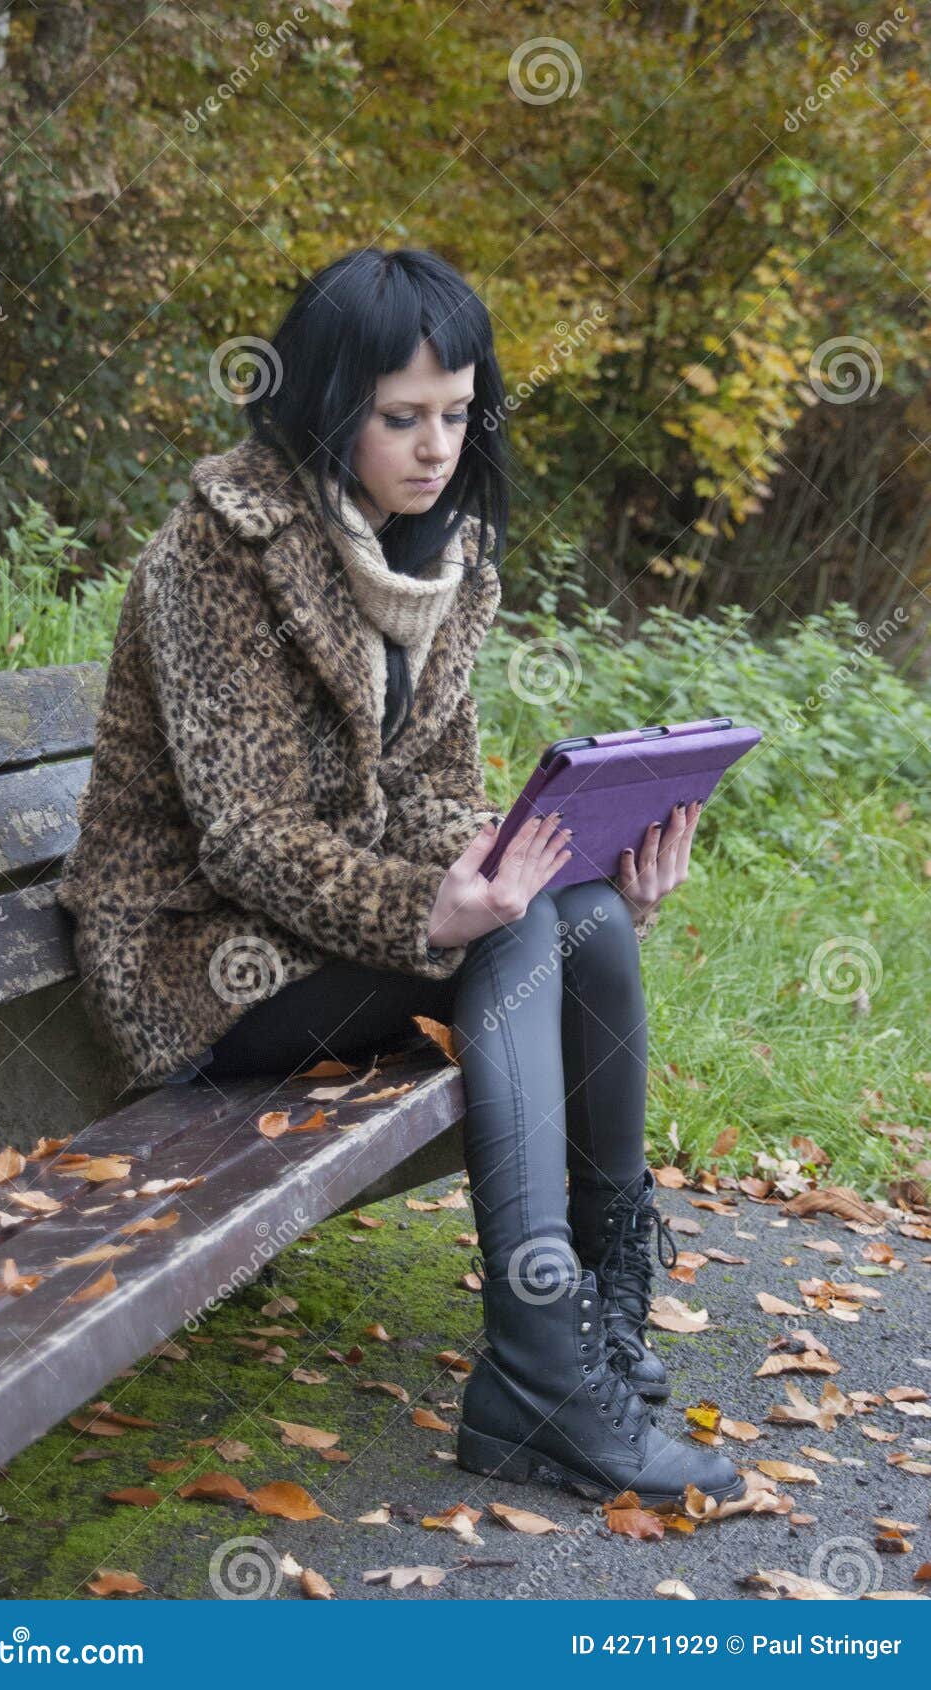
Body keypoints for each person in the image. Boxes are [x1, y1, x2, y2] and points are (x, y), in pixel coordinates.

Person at [56, 245, 745, 1508]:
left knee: (580, 913)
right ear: (326, 407)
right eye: (400, 418)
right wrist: (435, 908)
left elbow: (431, 797)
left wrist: (572, 864)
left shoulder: (435, 561)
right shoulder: (214, 557)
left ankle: (597, 1308)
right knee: (508, 936)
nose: (436, 447)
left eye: (457, 413)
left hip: (321, 932)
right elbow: (246, 836)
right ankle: (537, 1375)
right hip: (198, 959)